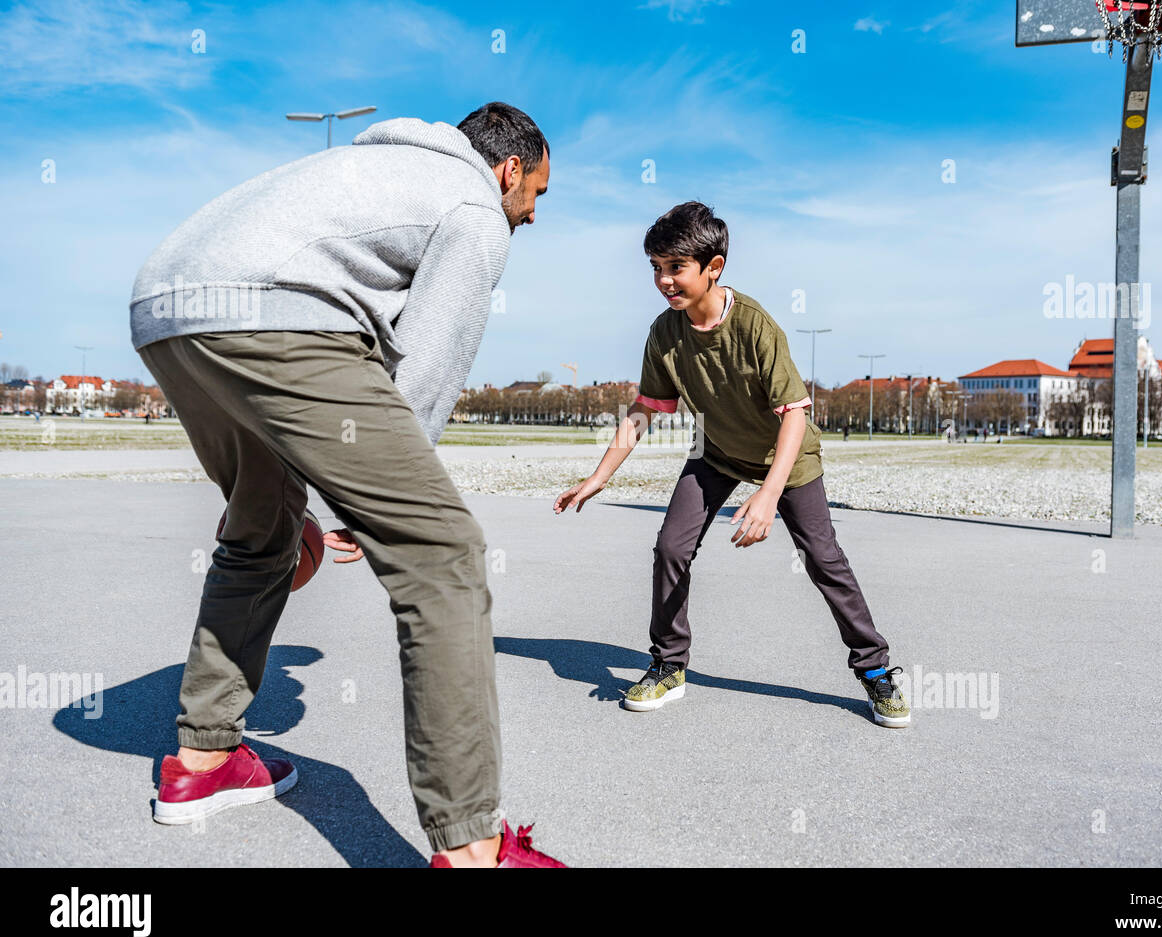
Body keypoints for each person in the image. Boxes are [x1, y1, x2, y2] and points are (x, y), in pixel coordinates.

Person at [129, 102, 562, 867]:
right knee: (442, 551)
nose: (531, 217)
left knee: (262, 529)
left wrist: (308, 504)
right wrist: (355, 509)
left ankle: (203, 761)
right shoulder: (474, 206)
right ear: (509, 169)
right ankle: (471, 847)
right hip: (272, 312)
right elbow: (423, 374)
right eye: (536, 196)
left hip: (165, 307)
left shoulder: (369, 168)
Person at [553, 202, 909, 728]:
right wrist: (599, 477)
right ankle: (669, 665)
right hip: (716, 451)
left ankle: (876, 671)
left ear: (713, 267)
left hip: (787, 457)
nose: (663, 280)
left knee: (823, 559)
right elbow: (647, 408)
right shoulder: (664, 333)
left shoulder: (756, 327)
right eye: (655, 267)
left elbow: (794, 416)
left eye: (675, 267)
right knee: (671, 547)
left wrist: (766, 495)